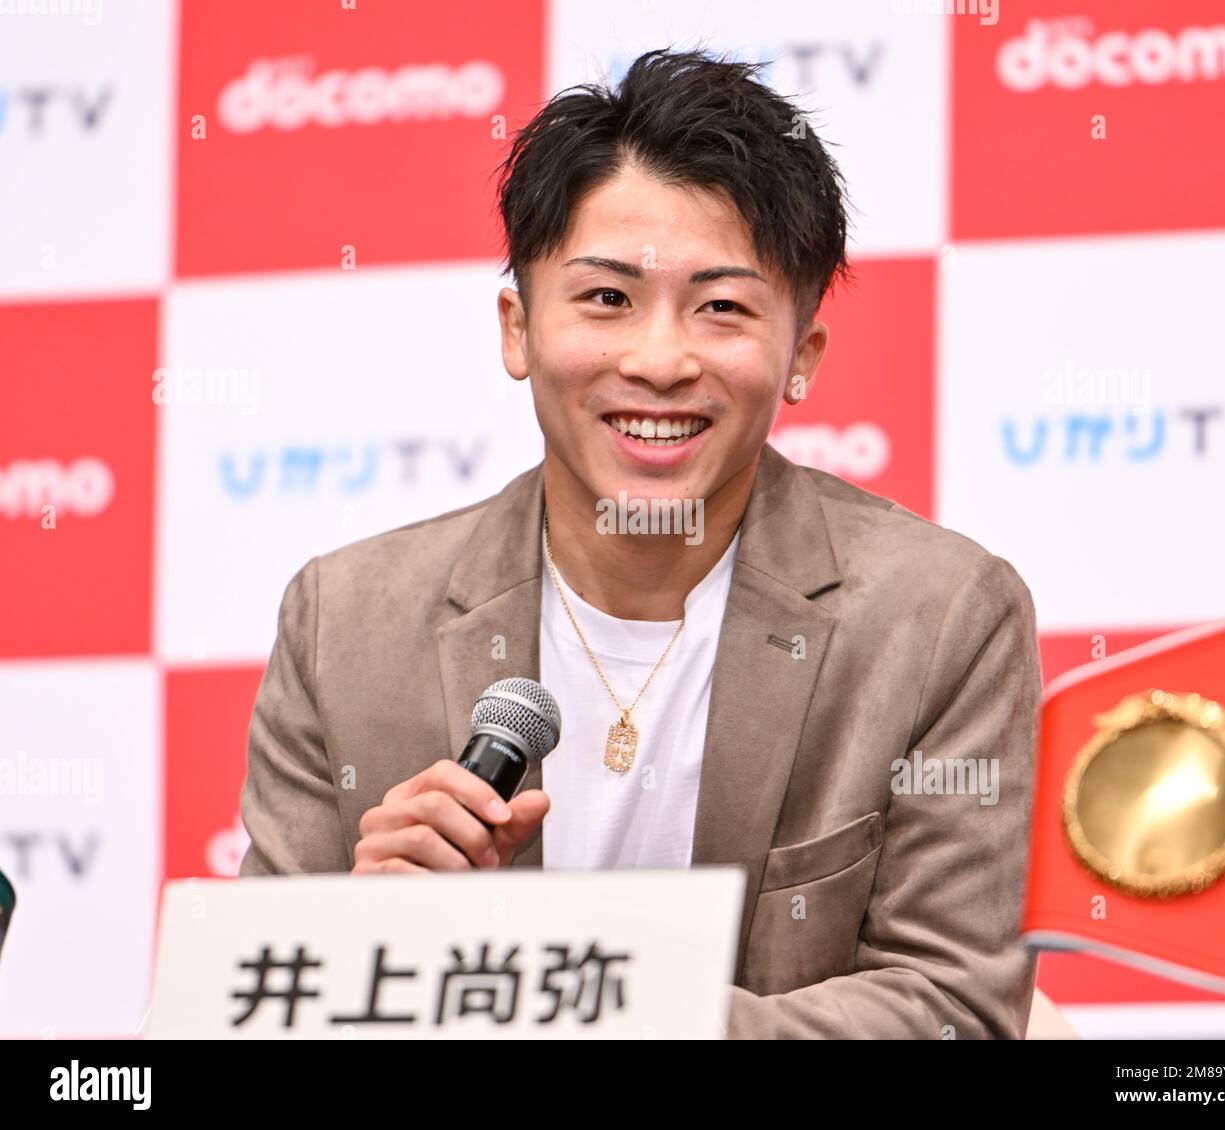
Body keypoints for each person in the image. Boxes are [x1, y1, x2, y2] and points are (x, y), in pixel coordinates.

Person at [238, 46, 1043, 1039]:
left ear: (802, 357)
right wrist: (364, 950)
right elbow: (252, 1006)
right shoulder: (345, 620)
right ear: (518, 327)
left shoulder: (938, 617)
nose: (659, 360)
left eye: (722, 307)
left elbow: (952, 1005)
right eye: (606, 298)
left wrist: (589, 1008)